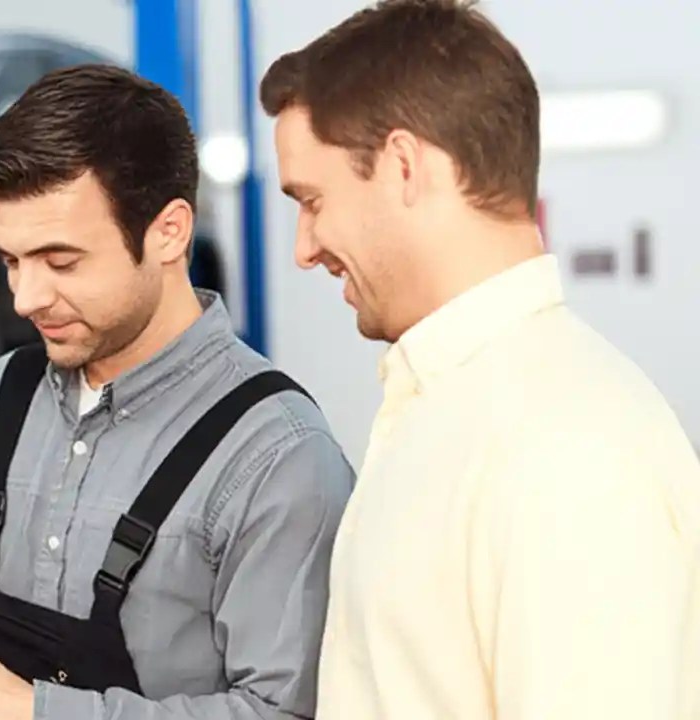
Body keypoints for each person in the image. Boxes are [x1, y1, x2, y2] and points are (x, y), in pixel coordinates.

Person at [0, 63, 355, 720]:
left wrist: (37, 712)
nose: (26, 298)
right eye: (11, 260)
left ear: (168, 232)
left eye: (62, 262)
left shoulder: (277, 458)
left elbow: (282, 714)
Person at [260, 1, 700, 718]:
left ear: (403, 166)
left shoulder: (566, 446)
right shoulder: (451, 407)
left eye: (312, 200)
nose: (303, 248)